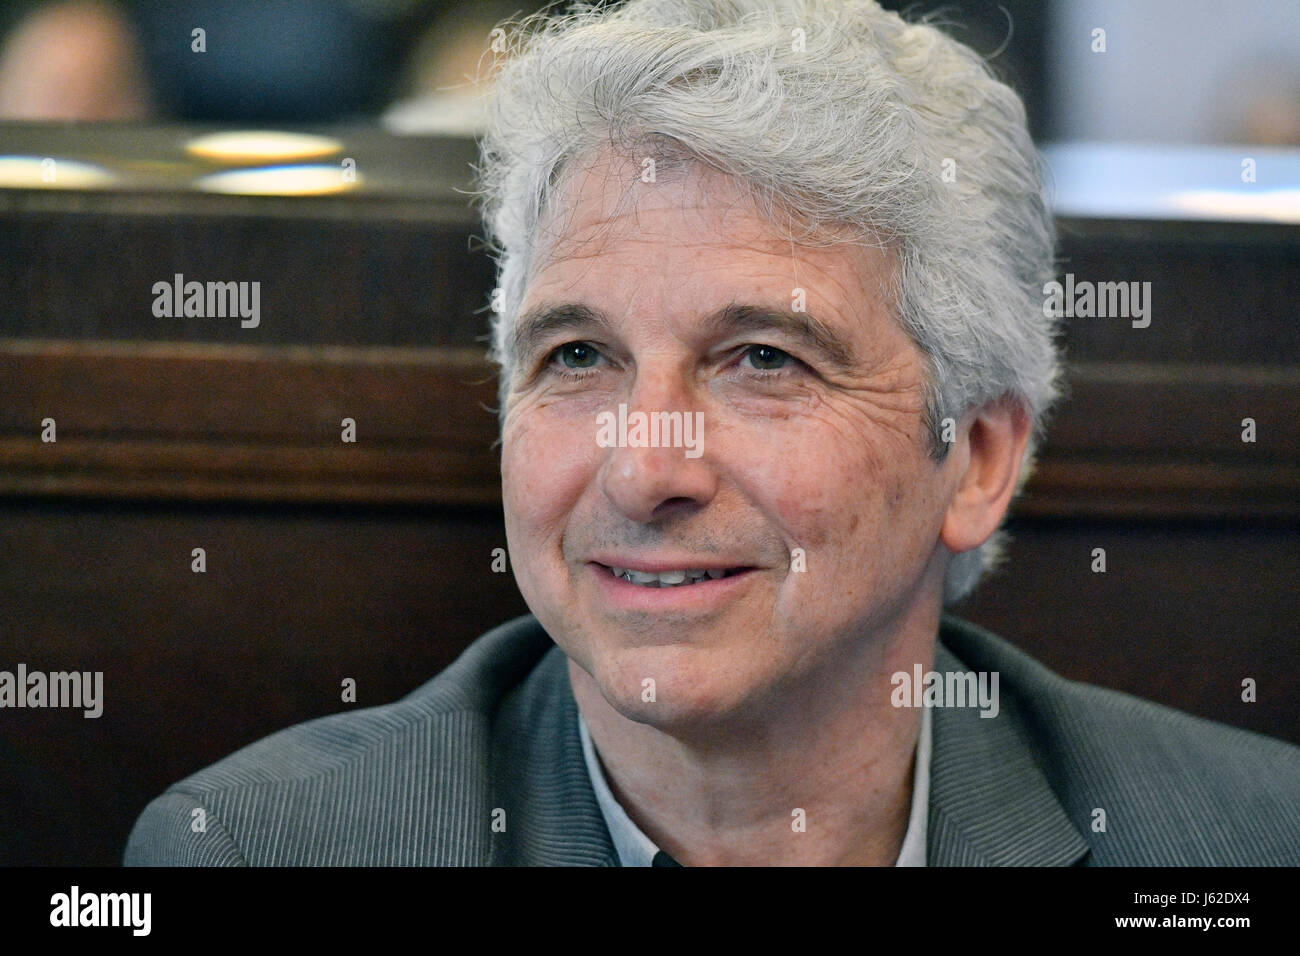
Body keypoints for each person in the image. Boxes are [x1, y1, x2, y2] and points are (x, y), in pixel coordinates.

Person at [125, 0, 1300, 867]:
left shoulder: (1241, 844)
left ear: (979, 456)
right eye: (577, 357)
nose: (644, 468)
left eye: (762, 362)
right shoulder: (258, 850)